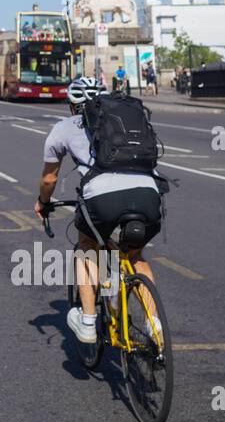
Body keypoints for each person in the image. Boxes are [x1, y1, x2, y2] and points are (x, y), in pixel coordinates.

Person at [33, 77, 163, 345]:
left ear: (72, 106)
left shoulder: (64, 128)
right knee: (136, 255)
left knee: (86, 246)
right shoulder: (124, 121)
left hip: (103, 198)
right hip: (149, 192)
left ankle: (89, 321)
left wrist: (43, 204)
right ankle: (156, 327)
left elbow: (49, 180)